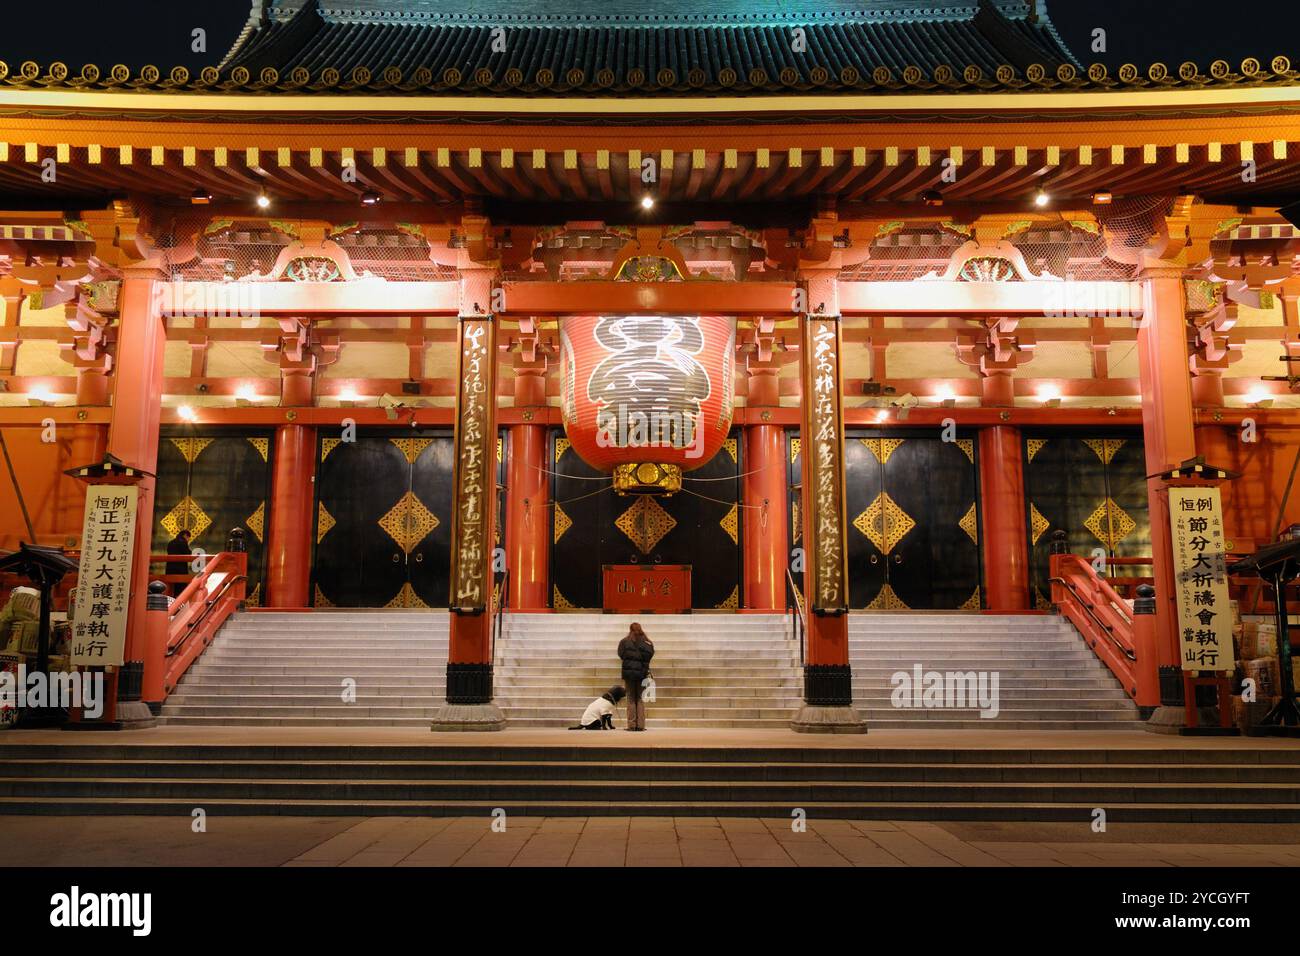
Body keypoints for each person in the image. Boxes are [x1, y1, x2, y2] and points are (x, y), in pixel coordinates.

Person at [617, 622, 654, 731]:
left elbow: (621, 654)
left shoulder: (624, 642)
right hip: (642, 673)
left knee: (631, 699)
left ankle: (631, 725)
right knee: (640, 699)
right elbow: (650, 655)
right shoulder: (647, 643)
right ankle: (641, 725)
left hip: (629, 674)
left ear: (630, 629)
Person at [166, 528, 193, 597]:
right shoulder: (183, 542)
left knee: (171, 589)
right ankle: (178, 605)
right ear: (185, 535)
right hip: (180, 570)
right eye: (188, 538)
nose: (188, 540)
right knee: (180, 590)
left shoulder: (171, 542)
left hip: (170, 569)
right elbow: (188, 554)